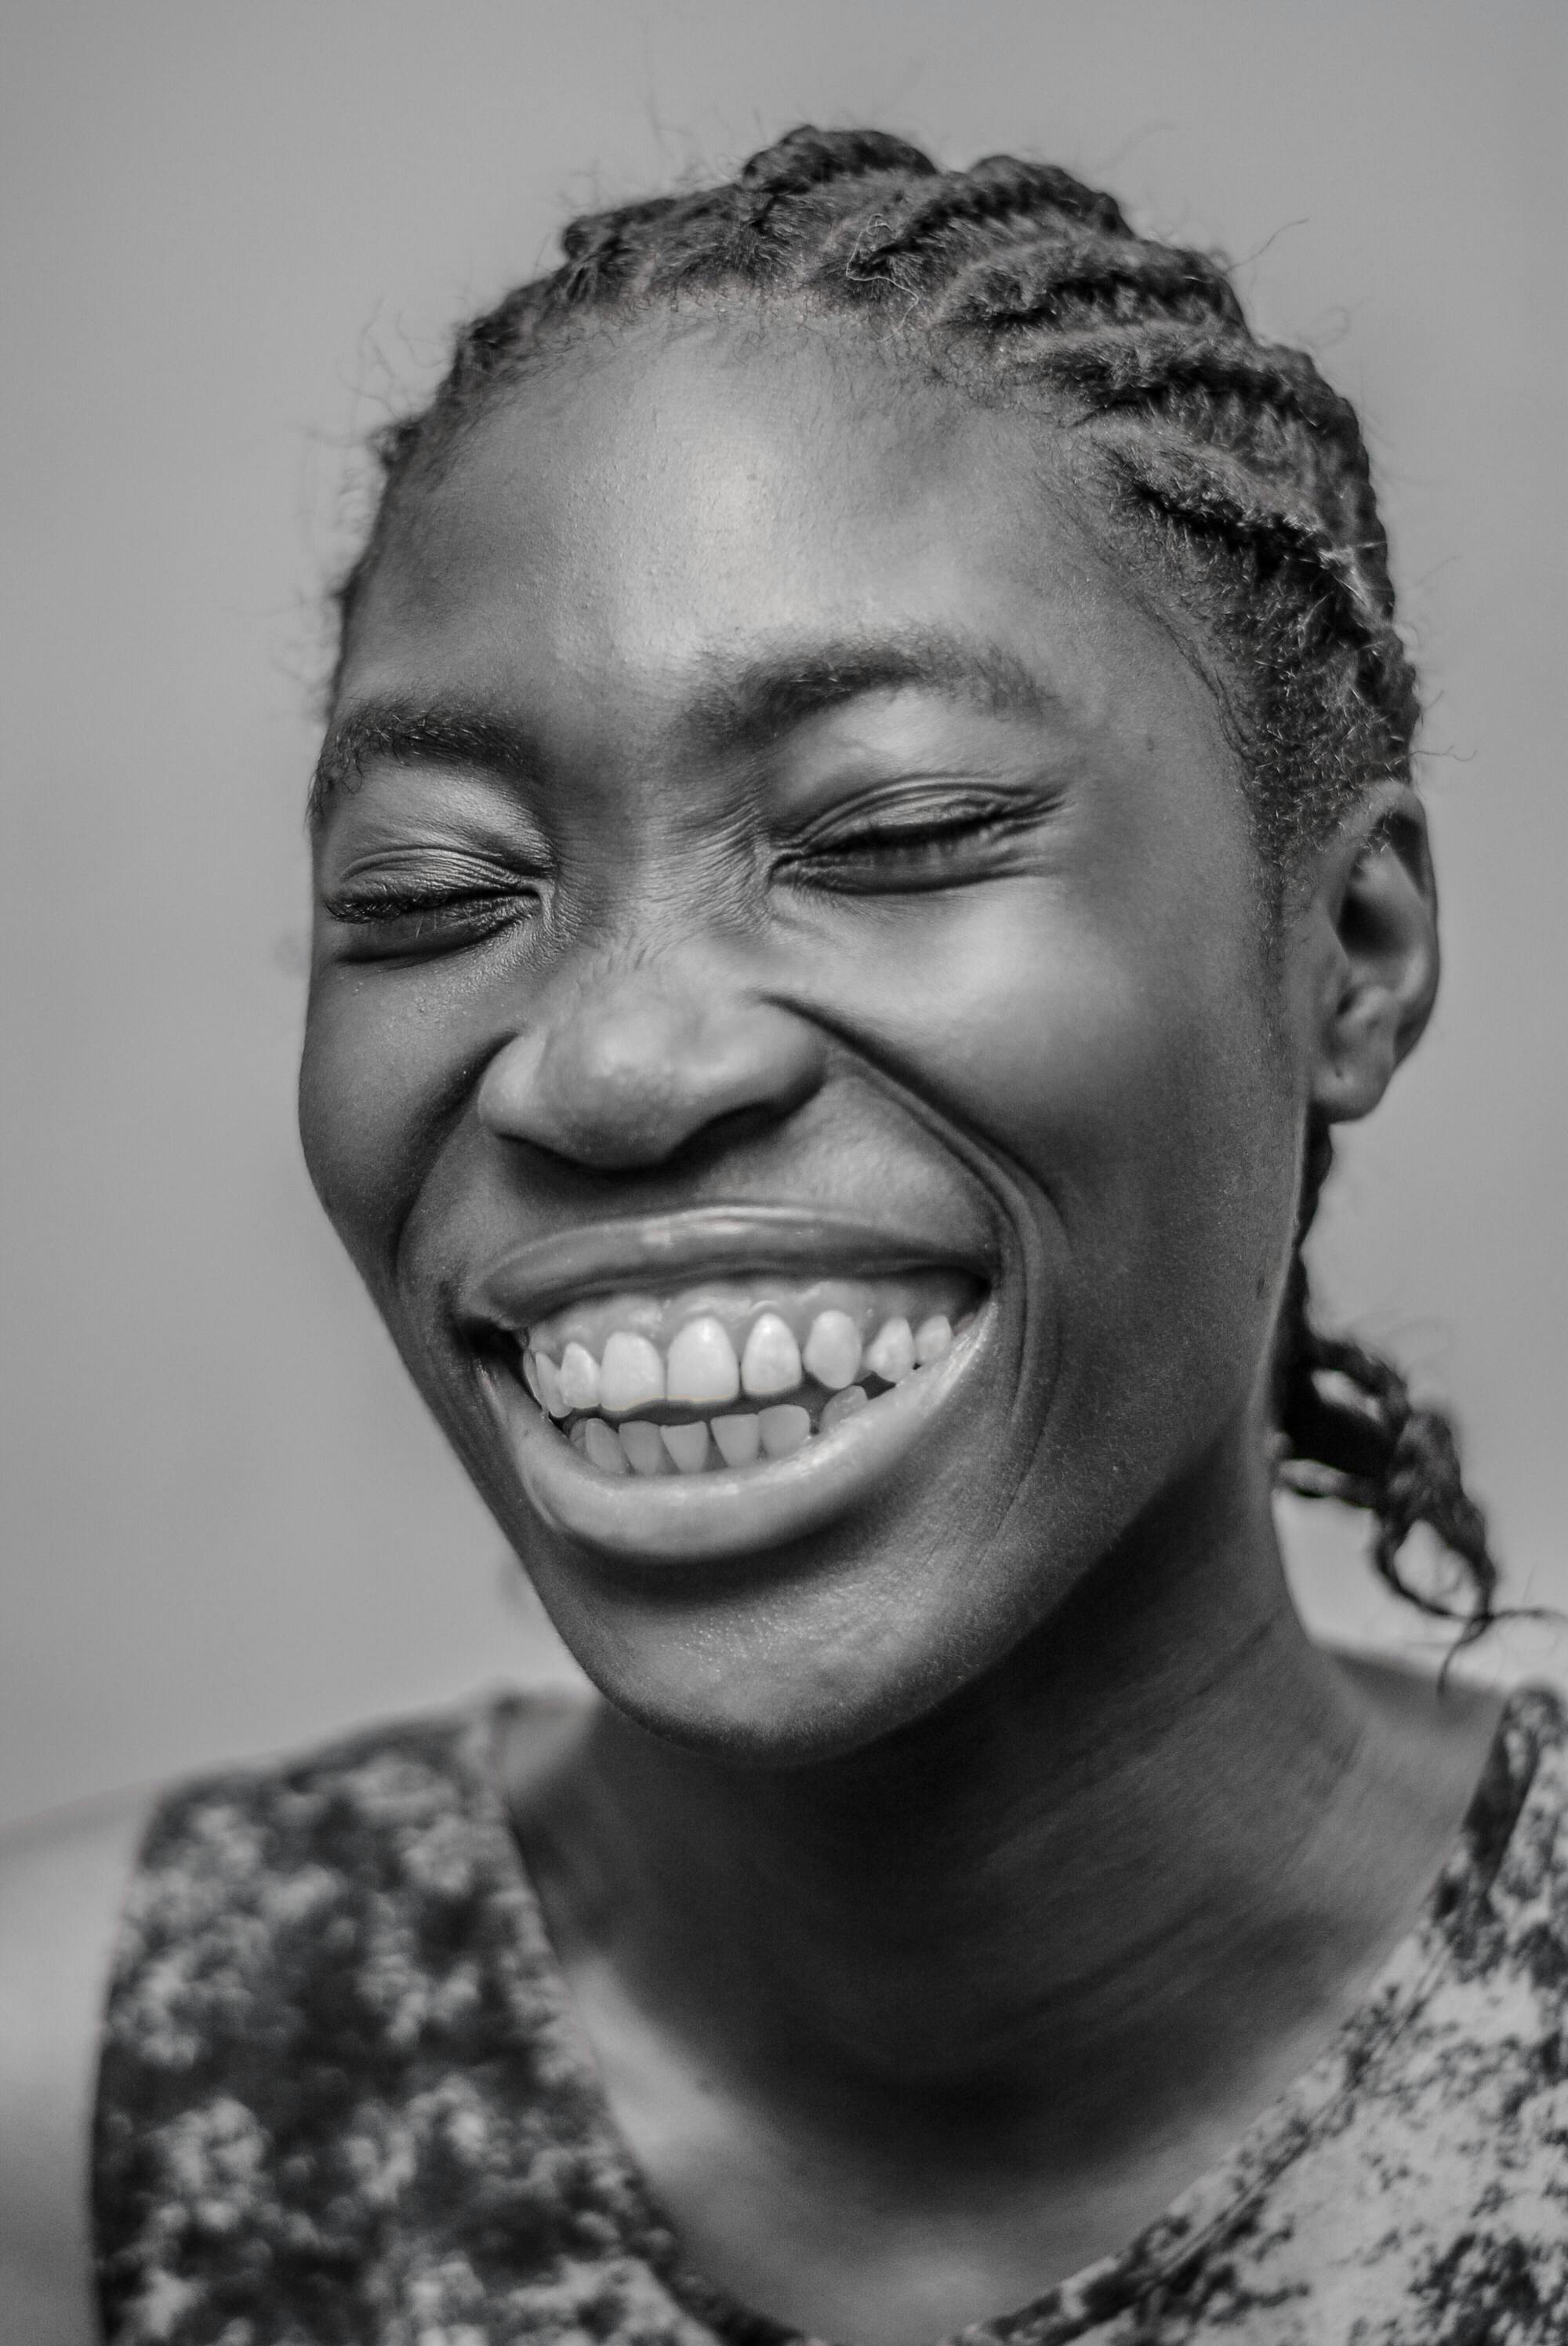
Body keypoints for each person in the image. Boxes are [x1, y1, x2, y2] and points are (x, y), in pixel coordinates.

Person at [3, 125, 1563, 2346]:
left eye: (894, 832)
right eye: (433, 896)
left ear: (1356, 952)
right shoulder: (74, 2122)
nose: (609, 1066)